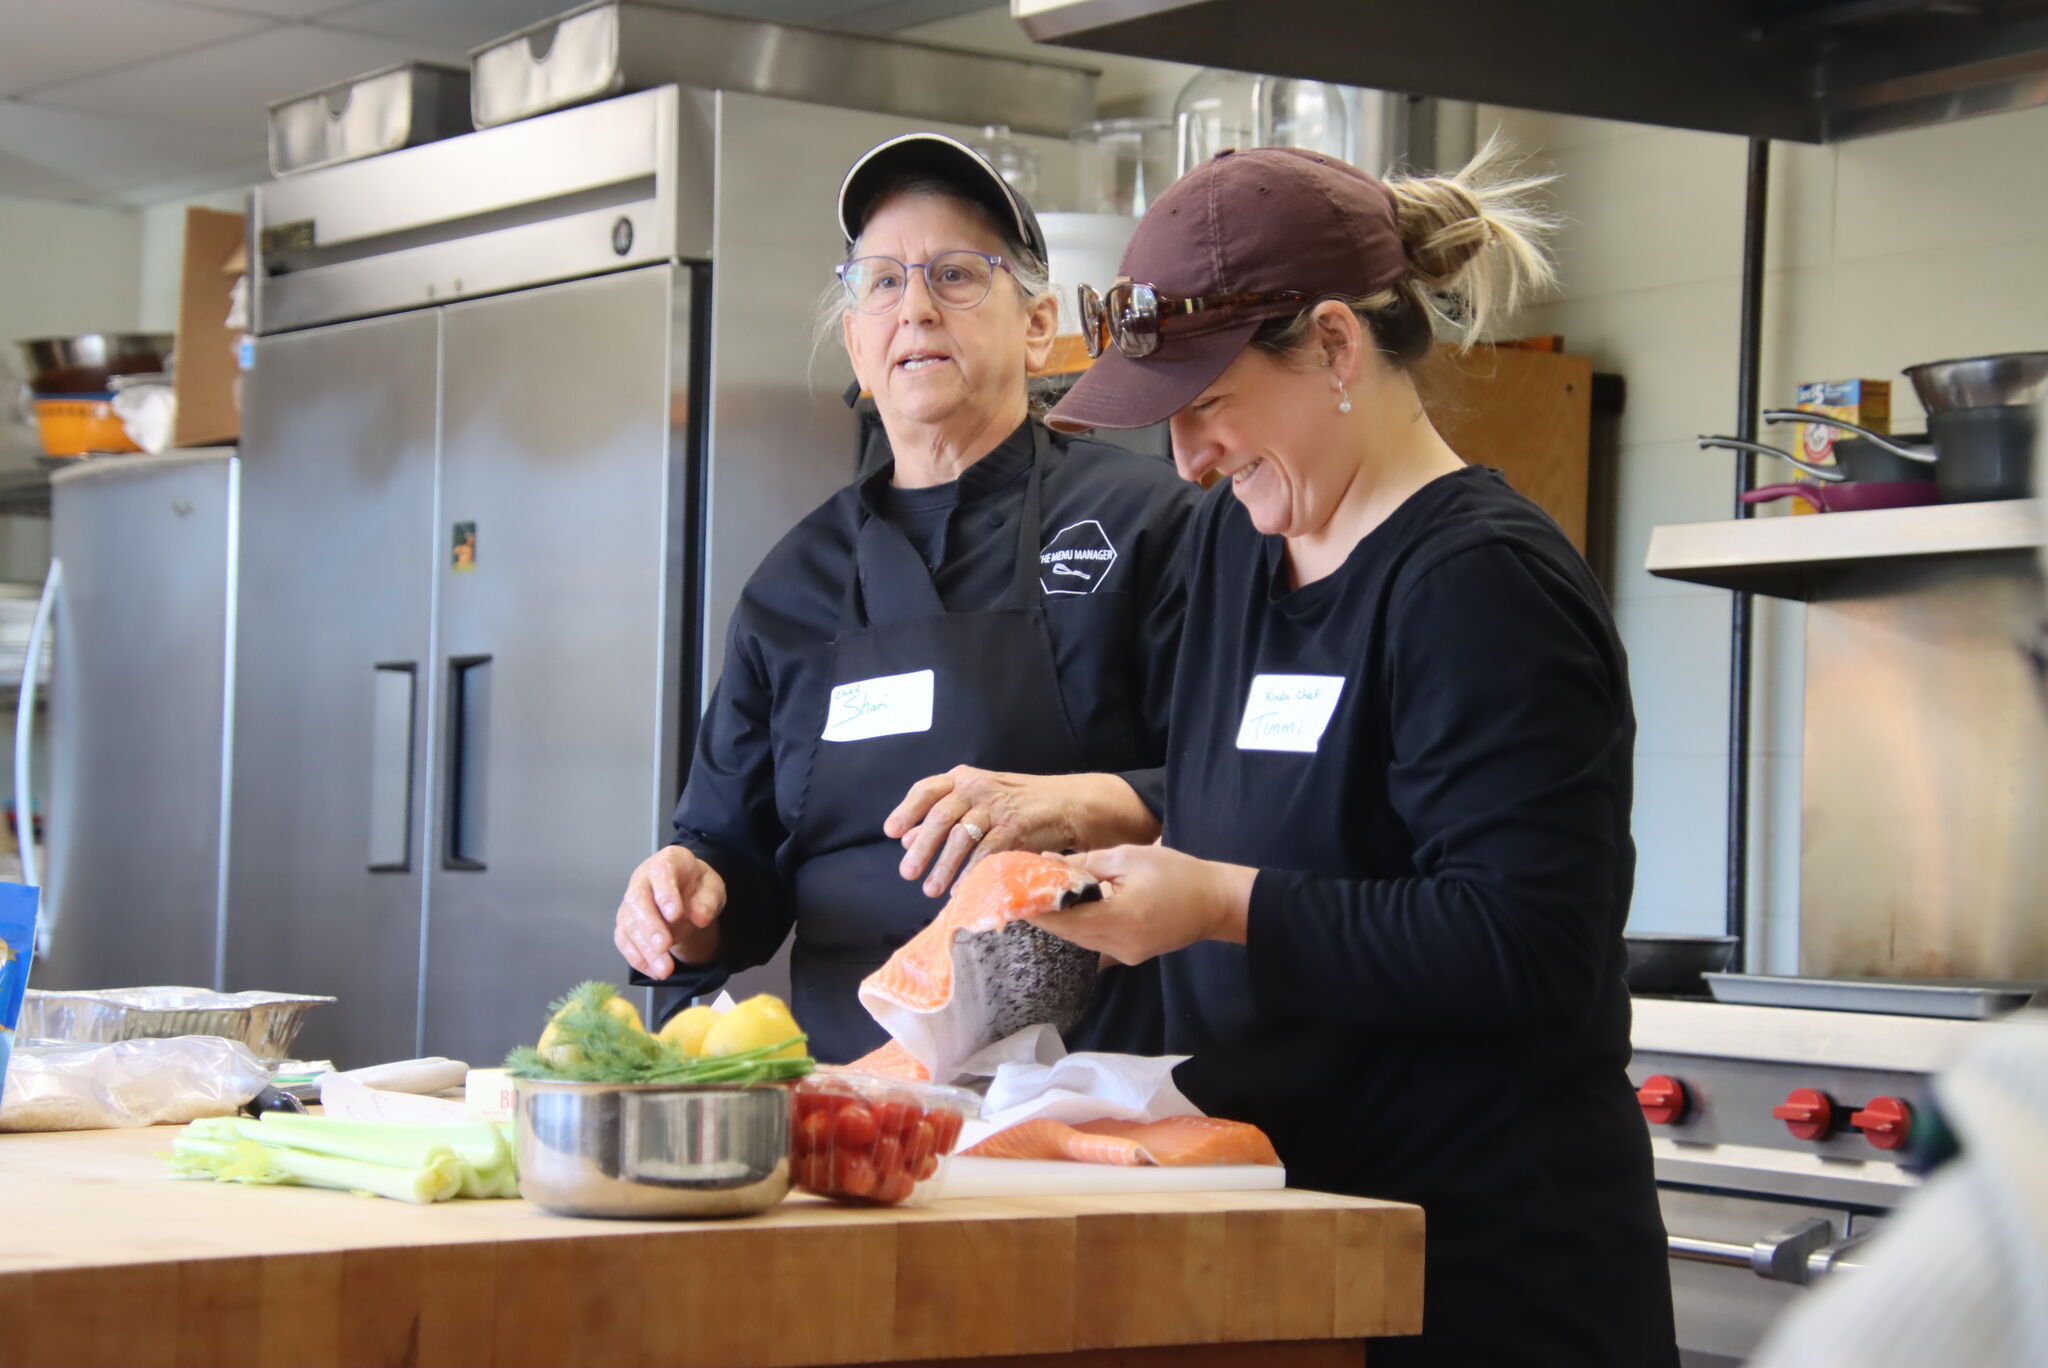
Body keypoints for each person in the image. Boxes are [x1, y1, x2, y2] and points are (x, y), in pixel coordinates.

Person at [1030, 143, 1679, 1365]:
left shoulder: (1479, 583)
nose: (1187, 461)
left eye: (1207, 406)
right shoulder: (1237, 550)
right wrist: (1083, 849)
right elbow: (1290, 809)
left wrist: (1215, 902)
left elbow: (1522, 944)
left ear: (1332, 344)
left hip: (1479, 1280)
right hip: (1290, 1258)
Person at [611, 133, 1198, 1062]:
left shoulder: (1151, 526)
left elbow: (1254, 803)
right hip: (858, 1105)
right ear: (856, 336)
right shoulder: (790, 586)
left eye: (957, 275)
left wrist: (1079, 803)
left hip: (1092, 1097)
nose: (915, 307)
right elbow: (731, 859)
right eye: (882, 282)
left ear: (1038, 325)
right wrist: (688, 904)